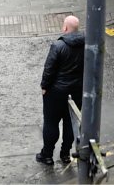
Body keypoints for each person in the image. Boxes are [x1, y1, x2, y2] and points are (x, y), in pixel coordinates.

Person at [37, 15, 85, 166]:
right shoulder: (87, 44)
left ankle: (47, 155)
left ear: (65, 28)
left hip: (56, 92)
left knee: (51, 123)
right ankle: (65, 154)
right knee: (70, 123)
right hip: (76, 91)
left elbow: (49, 69)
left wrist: (44, 86)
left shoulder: (58, 46)